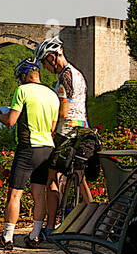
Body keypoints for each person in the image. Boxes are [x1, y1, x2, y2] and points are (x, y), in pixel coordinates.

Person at [0, 58, 60, 249]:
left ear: (23, 76)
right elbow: (53, 126)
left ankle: (7, 237)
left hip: (28, 147)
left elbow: (11, 121)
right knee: (39, 194)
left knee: (14, 194)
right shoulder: (52, 95)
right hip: (47, 148)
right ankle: (35, 236)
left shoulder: (22, 91)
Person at [35, 37, 93, 223]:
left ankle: (51, 225)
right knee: (79, 177)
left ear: (52, 58)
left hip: (67, 132)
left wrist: (49, 126)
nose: (44, 68)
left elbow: (63, 110)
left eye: (44, 62)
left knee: (51, 177)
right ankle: (92, 220)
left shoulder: (64, 77)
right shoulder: (78, 74)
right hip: (83, 129)